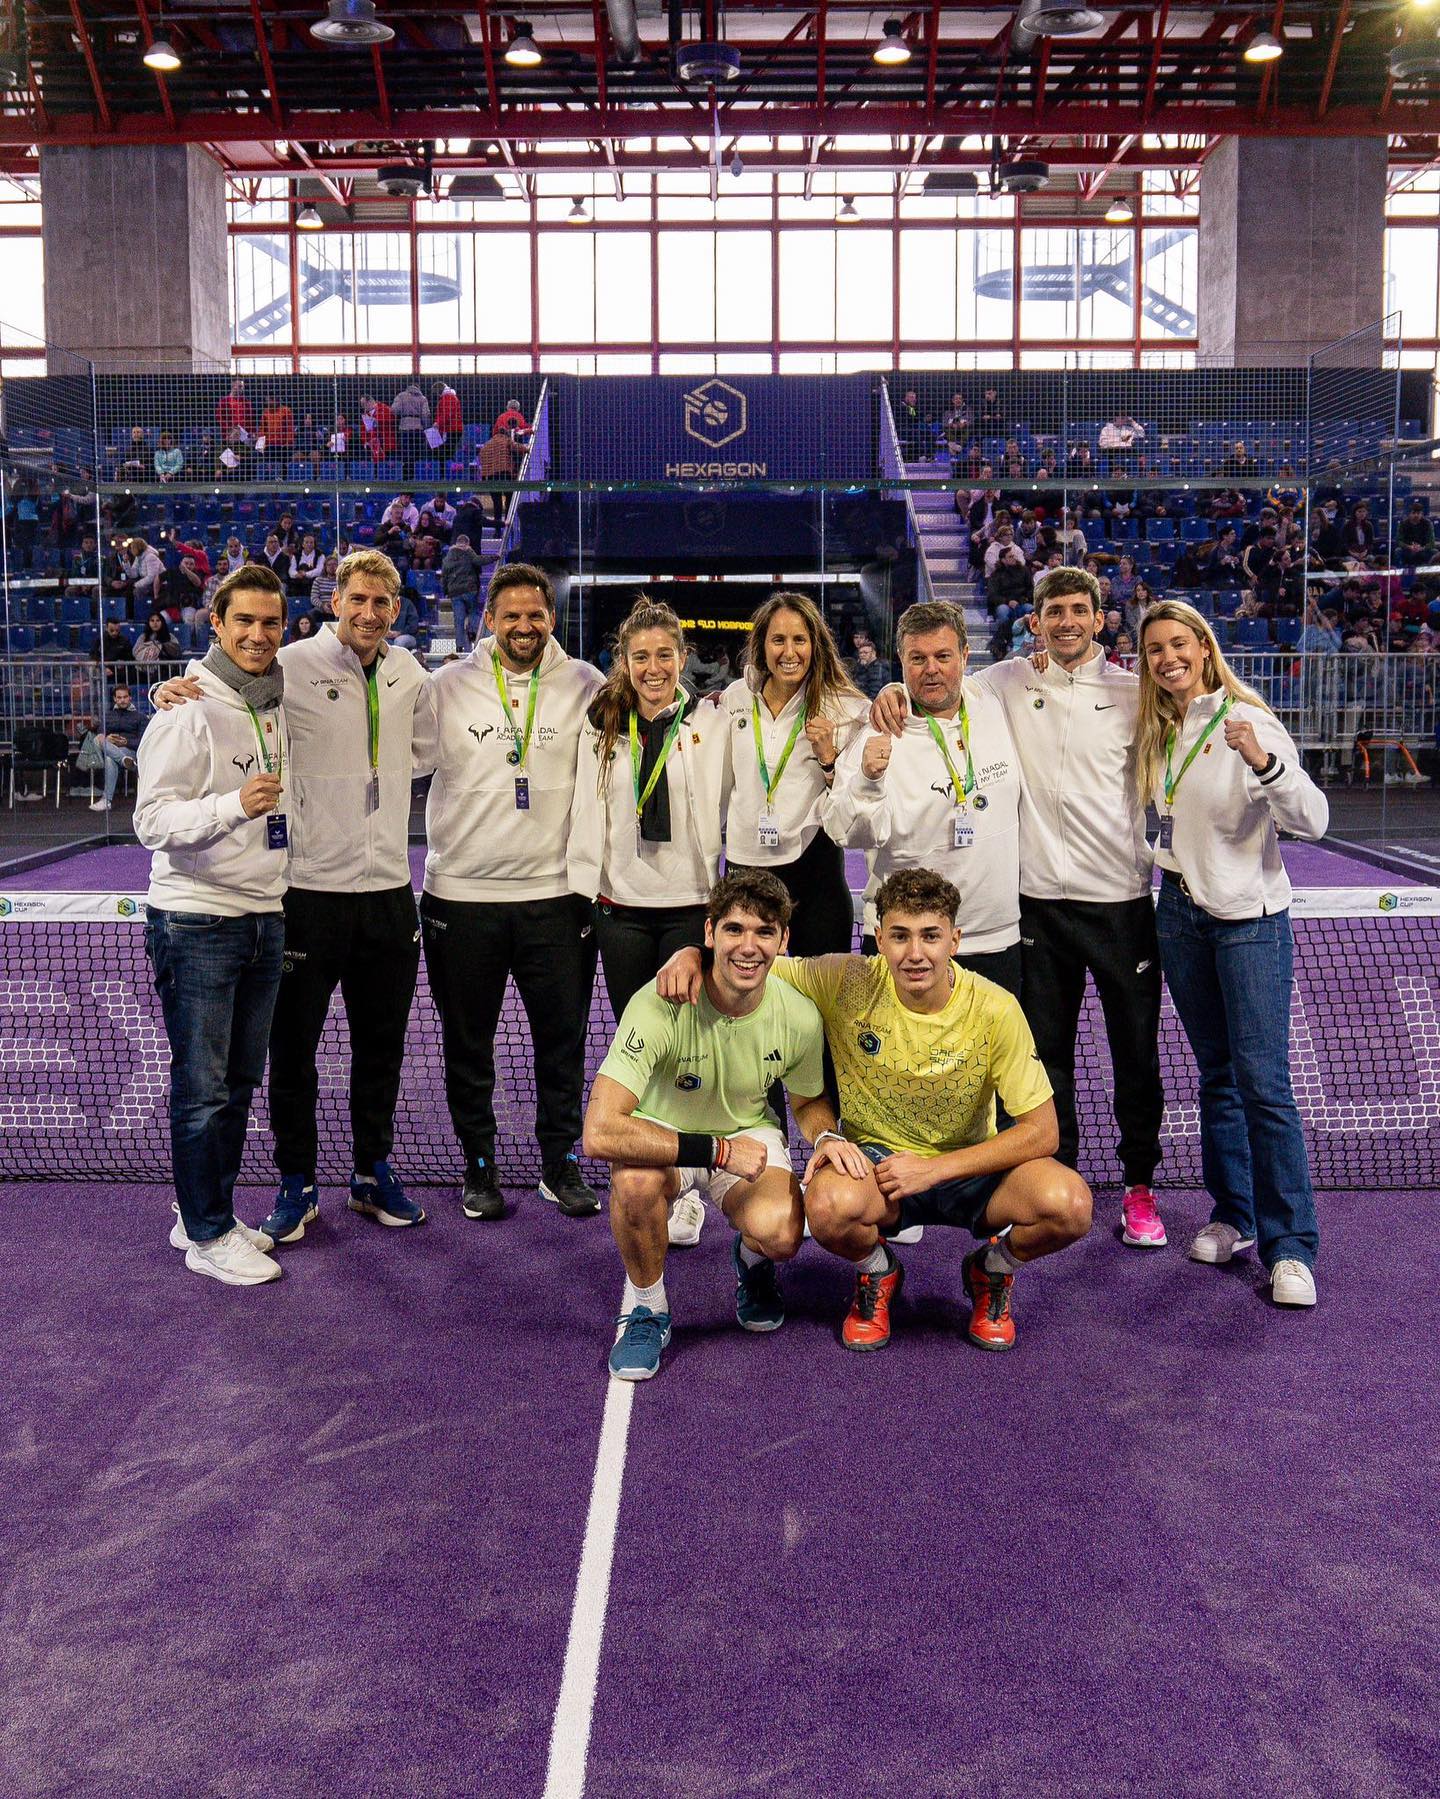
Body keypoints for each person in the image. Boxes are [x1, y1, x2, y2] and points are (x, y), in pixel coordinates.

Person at [658, 869, 1092, 1355]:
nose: (915, 953)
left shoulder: (995, 1009)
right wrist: (692, 953)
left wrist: (934, 1170)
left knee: (1070, 1205)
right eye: (900, 936)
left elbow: (1042, 1133)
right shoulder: (847, 980)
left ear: (954, 940)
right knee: (825, 1207)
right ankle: (877, 1273)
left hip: (969, 1167)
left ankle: (992, 1271)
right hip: (879, 1169)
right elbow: (751, 959)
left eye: (930, 936)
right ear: (879, 938)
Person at [153, 550, 438, 1247]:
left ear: (395, 608)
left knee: (381, 1048)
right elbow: (225, 678)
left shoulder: (410, 673)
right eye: (356, 599)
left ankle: (371, 1172)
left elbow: (426, 751)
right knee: (291, 1054)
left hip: (390, 892)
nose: (368, 612)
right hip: (306, 893)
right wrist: (172, 684)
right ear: (334, 601)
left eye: (381, 601)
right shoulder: (290, 665)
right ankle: (296, 1182)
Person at [876, 568, 1165, 1242]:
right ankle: (1056, 1172)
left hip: (1120, 905)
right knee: (1047, 1058)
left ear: (1100, 619)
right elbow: (934, 681)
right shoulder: (1004, 682)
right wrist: (891, 690)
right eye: (1053, 611)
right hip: (1036, 908)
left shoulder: (1134, 693)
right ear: (1034, 623)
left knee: (1135, 1054)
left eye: (1078, 610)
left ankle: (1139, 1185)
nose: (1066, 622)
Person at [1137, 599, 1328, 1308]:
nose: (1168, 659)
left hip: (1249, 921)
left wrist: (1265, 763)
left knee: (1263, 1085)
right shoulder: (1158, 730)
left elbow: (1313, 819)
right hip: (1179, 913)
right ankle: (1235, 1215)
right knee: (1217, 1075)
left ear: (1204, 647)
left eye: (1178, 644)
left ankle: (1291, 1246)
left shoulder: (1248, 721)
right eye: (1155, 649)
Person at [587, 872, 832, 1381]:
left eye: (764, 932)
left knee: (782, 1233)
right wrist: (717, 1151)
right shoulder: (659, 1003)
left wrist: (827, 1136)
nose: (748, 946)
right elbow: (600, 1131)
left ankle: (753, 1263)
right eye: (734, 929)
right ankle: (648, 1308)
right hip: (666, 1136)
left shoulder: (800, 1017)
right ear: (709, 933)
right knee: (634, 1184)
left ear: (784, 939)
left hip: (747, 1132)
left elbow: (808, 1100)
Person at [421, 563, 604, 1222]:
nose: (524, 626)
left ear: (550, 618)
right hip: (460, 899)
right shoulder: (444, 687)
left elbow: (654, 715)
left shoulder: (586, 684)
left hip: (557, 900)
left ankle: (560, 1163)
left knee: (563, 1044)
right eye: (511, 616)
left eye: (535, 615)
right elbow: (374, 737)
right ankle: (478, 1165)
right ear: (490, 620)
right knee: (468, 1045)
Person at [133, 563, 289, 1287]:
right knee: (202, 1088)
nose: (258, 635)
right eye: (244, 621)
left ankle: (207, 1212)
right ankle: (205, 1231)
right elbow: (151, 821)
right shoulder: (185, 709)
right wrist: (232, 805)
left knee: (237, 1082)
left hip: (263, 917)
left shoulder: (274, 696)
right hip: (197, 921)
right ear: (217, 624)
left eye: (270, 622)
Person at [568, 598, 732, 1244]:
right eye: (641, 656)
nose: (654, 667)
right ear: (625, 661)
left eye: (666, 655)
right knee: (643, 1051)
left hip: (691, 910)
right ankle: (664, 1174)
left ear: (683, 658)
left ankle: (690, 1186)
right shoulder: (601, 724)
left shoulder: (712, 719)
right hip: (622, 912)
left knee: (691, 1052)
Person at [823, 600, 1021, 989]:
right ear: (902, 660)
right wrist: (868, 779)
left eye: (943, 656)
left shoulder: (995, 700)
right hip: (904, 943)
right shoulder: (878, 732)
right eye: (918, 658)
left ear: (965, 656)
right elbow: (843, 831)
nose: (931, 669)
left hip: (993, 939)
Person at [720, 591, 868, 957]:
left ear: (814, 645)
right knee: (747, 983)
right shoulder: (734, 699)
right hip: (747, 868)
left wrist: (829, 760)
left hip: (815, 871)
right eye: (778, 640)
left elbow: (857, 799)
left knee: (820, 988)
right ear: (762, 645)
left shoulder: (844, 706)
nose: (789, 652)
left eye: (799, 639)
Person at [85, 681, 146, 813]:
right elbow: (100, 736)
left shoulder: (140, 717)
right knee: (100, 740)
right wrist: (107, 738)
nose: (122, 700)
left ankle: (106, 800)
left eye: (125, 697)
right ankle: (124, 760)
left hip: (130, 751)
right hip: (111, 749)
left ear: (130, 697)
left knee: (110, 759)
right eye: (119, 697)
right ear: (114, 699)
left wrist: (126, 742)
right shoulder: (107, 716)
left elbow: (143, 742)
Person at [441, 532, 485, 649]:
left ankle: (459, 645)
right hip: (470, 589)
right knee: (473, 612)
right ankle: (474, 634)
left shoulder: (448, 556)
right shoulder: (468, 552)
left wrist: (445, 590)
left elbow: (444, 576)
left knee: (458, 618)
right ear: (467, 543)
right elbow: (478, 561)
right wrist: (494, 557)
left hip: (454, 591)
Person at [478, 423, 518, 529]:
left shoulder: (486, 445)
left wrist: (483, 477)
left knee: (497, 503)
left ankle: (497, 528)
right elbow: (516, 447)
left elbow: (482, 459)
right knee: (509, 499)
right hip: (505, 474)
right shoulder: (506, 440)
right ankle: (508, 523)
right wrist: (527, 449)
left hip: (491, 476)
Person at [391, 380, 432, 476]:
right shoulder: (423, 398)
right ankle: (415, 475)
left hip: (404, 427)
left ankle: (405, 475)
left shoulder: (401, 396)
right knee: (416, 452)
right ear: (418, 388)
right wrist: (427, 428)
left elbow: (394, 410)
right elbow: (425, 415)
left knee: (405, 452)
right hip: (418, 428)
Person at [433, 380, 463, 452]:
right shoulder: (450, 397)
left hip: (450, 429)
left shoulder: (448, 397)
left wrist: (437, 423)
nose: (436, 395)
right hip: (454, 428)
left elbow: (446, 414)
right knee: (448, 450)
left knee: (445, 451)